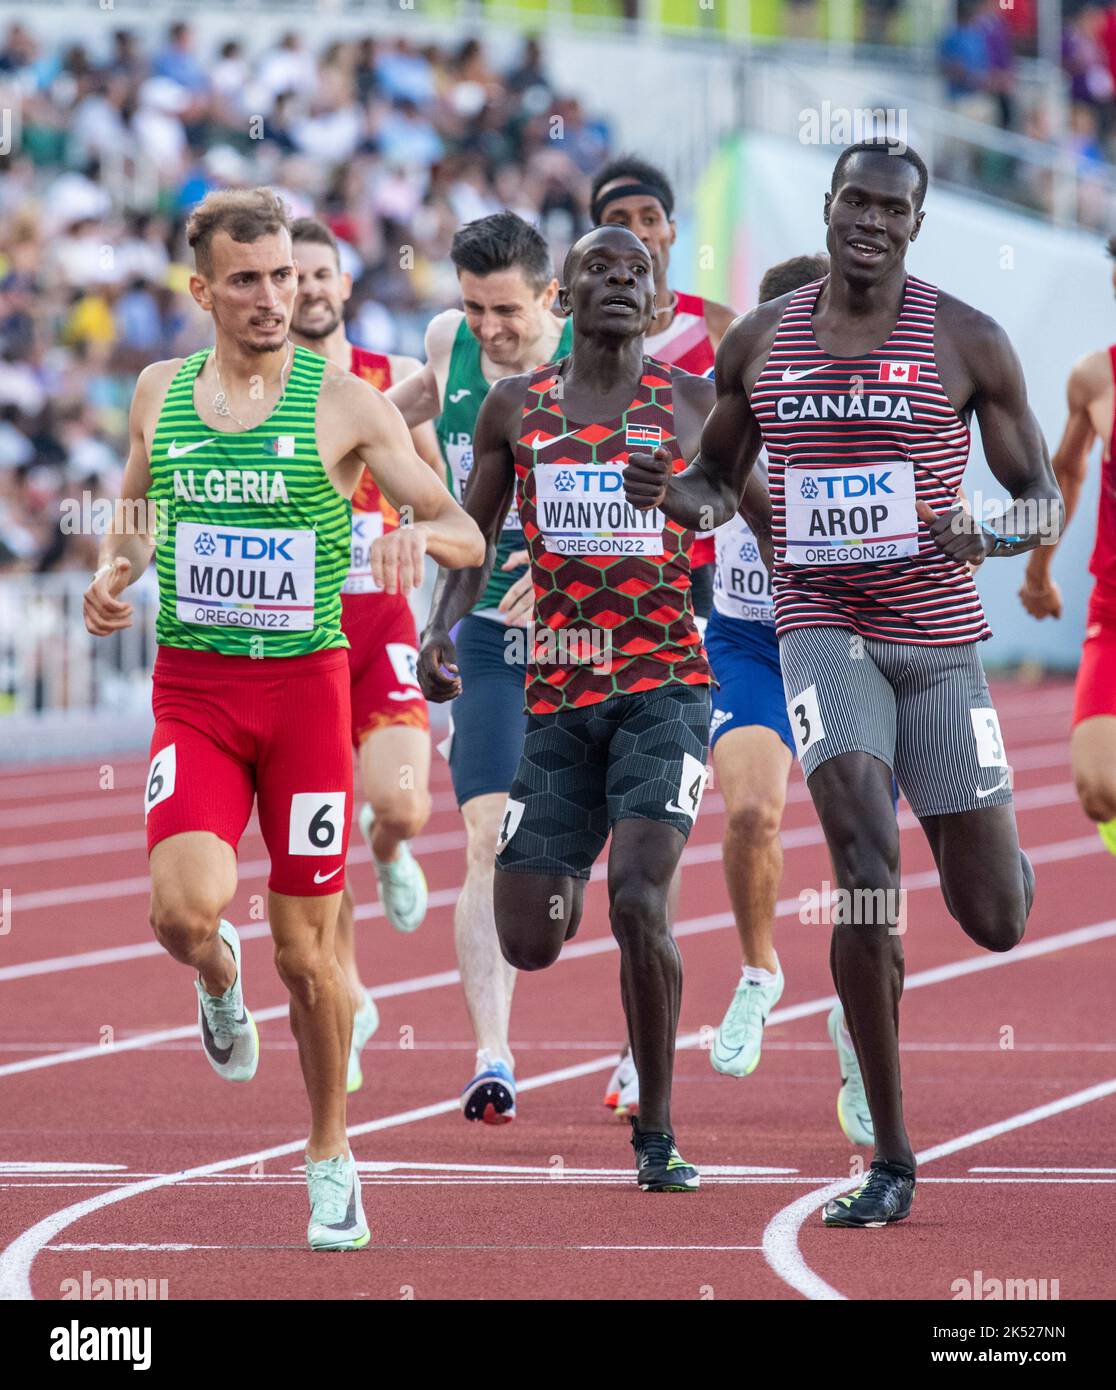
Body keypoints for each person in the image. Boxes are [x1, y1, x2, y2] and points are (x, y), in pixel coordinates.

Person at [647, 139, 1059, 1227]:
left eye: (892, 208)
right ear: (828, 209)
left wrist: (994, 530)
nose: (869, 222)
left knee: (996, 917)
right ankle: (890, 1150)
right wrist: (666, 494)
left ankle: (1005, 860)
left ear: (915, 224)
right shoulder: (763, 340)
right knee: (864, 860)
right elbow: (714, 487)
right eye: (854, 202)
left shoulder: (967, 338)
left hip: (940, 643)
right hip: (822, 627)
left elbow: (1043, 496)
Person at [82, 188, 482, 1250]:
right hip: (200, 698)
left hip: (306, 699)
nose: (275, 297)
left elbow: (465, 529)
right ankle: (218, 984)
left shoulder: (346, 402)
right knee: (183, 913)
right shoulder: (157, 392)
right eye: (249, 280)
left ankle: (328, 1152)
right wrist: (114, 570)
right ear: (204, 288)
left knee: (309, 958)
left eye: (288, 277)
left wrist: (414, 539)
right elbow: (135, 508)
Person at [418, 224, 714, 1191]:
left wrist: (684, 498)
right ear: (567, 296)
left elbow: (738, 504)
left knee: (640, 897)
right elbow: (474, 533)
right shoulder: (517, 408)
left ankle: (657, 1133)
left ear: (658, 300)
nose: (620, 282)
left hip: (665, 684)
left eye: (639, 272)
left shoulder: (689, 402)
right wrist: (439, 631)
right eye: (601, 269)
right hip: (556, 694)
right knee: (532, 935)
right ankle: (577, 846)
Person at [386, 211, 573, 1123]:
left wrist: (571, 561)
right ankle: (492, 1054)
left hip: (599, 639)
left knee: (567, 866)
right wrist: (358, 430)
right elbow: (423, 397)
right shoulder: (449, 339)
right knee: (485, 837)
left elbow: (681, 479)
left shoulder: (595, 355)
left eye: (506, 309)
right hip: (491, 630)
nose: (489, 328)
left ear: (548, 295)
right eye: (474, 306)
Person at [590, 156, 740, 1113]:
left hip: (680, 598)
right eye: (619, 221)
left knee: (652, 836)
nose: (639, 233)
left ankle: (639, 1047)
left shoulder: (719, 334)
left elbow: (739, 469)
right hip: (574, 609)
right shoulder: (566, 336)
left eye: (652, 218)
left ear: (672, 232)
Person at [290, 215, 441, 1093]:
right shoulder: (260, 392)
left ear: (345, 287)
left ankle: (392, 851)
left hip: (379, 625)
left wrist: (415, 529)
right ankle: (345, 1000)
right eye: (291, 276)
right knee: (320, 840)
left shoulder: (389, 383)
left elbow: (439, 496)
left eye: (320, 275)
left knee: (402, 804)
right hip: (299, 634)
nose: (307, 289)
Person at [1019, 232, 1116, 847]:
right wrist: (1037, 573)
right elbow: (1067, 474)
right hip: (1113, 607)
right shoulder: (1096, 377)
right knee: (1098, 786)